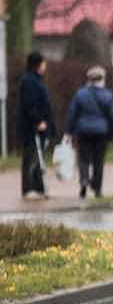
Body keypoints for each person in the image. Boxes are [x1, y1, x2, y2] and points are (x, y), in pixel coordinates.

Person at [64, 66, 113, 198]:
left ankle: (84, 181)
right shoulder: (107, 95)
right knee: (98, 160)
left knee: (83, 158)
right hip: (101, 132)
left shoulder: (80, 94)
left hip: (83, 131)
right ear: (102, 79)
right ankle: (97, 188)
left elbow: (72, 113)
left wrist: (68, 131)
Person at [18, 52, 56, 199]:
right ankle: (28, 189)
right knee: (31, 158)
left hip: (41, 127)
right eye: (43, 63)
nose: (45, 66)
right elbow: (29, 104)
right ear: (38, 64)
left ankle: (39, 187)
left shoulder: (37, 80)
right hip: (32, 128)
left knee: (39, 158)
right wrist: (38, 121)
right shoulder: (29, 81)